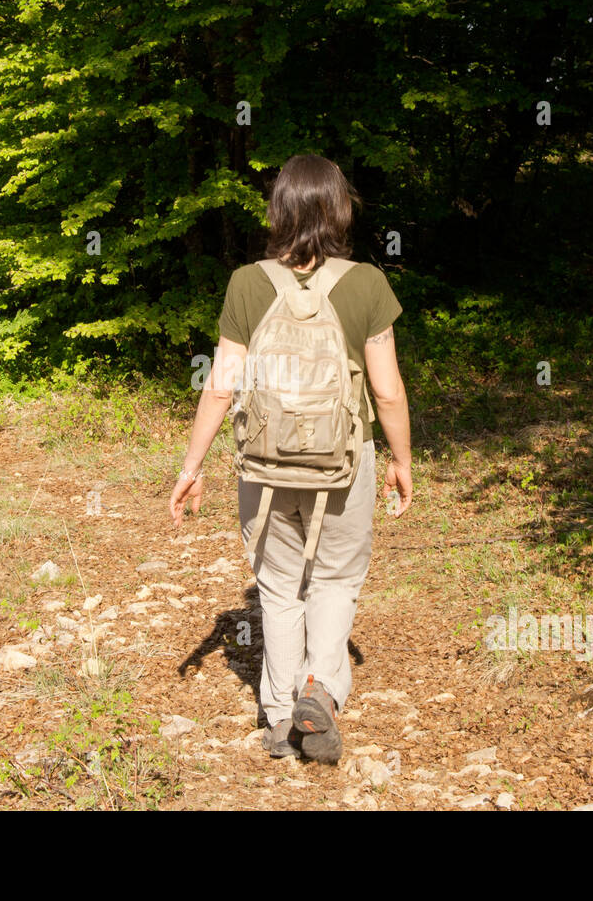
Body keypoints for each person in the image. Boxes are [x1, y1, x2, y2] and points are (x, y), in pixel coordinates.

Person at [169, 153, 413, 765]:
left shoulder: (248, 282)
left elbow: (222, 385)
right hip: (343, 462)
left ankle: (279, 716)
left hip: (265, 466)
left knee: (278, 588)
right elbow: (386, 390)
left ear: (278, 210)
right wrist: (401, 460)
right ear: (339, 209)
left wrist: (191, 467)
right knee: (335, 578)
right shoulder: (367, 284)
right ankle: (320, 693)